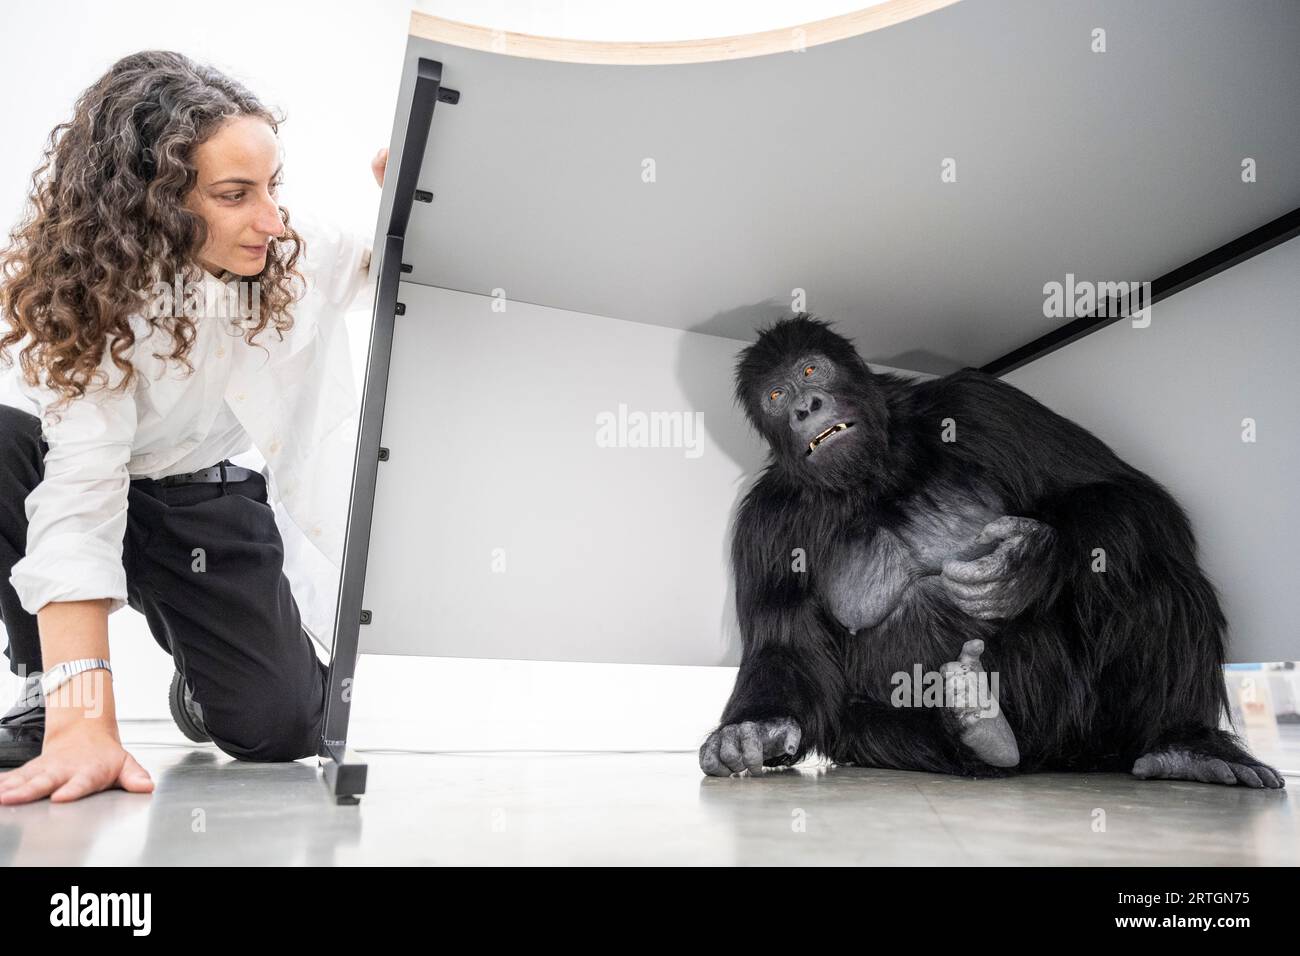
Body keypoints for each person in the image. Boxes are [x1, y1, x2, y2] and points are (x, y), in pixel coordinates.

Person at [0, 50, 385, 804]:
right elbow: (80, 505)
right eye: (235, 194)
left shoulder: (291, 248)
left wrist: (419, 202)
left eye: (272, 187)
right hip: (70, 483)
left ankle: (200, 683)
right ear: (153, 201)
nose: (272, 220)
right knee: (4, 438)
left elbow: (405, 272)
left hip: (200, 503)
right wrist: (86, 723)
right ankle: (52, 683)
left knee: (283, 731)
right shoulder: (85, 298)